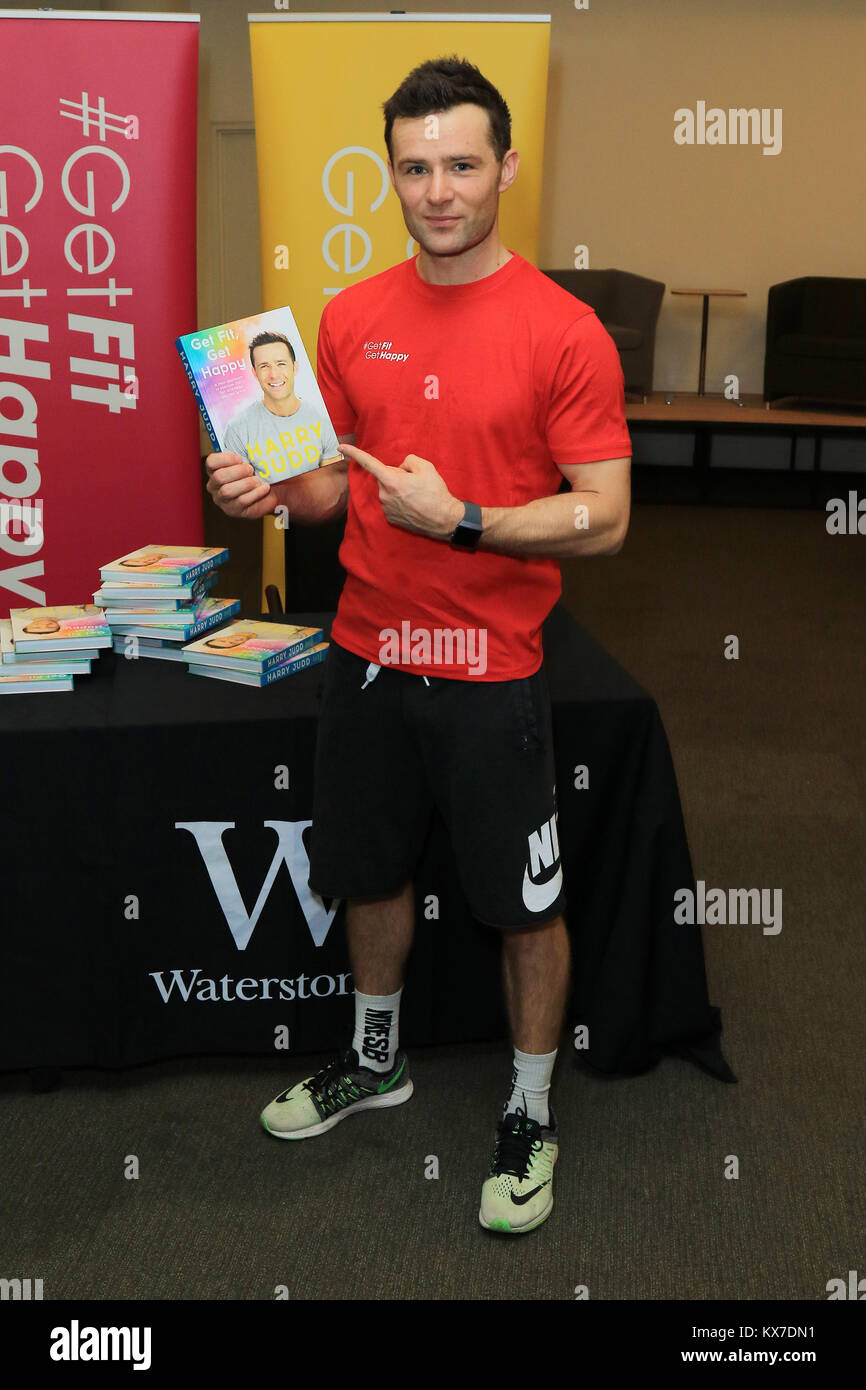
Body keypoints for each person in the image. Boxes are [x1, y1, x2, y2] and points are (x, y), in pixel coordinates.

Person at [205, 55, 631, 1235]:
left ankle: (530, 1109)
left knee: (521, 904)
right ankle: (375, 1061)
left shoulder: (565, 331)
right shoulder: (349, 319)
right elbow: (333, 496)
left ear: (504, 166)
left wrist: (473, 519)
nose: (436, 189)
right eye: (412, 166)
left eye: (459, 163)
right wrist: (269, 491)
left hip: (493, 673)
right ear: (387, 171)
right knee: (368, 871)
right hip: (366, 656)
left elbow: (604, 513)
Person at [222, 332, 343, 483]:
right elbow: (241, 491)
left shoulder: (322, 419)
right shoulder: (237, 428)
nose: (274, 374)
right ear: (255, 373)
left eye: (281, 363)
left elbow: (333, 486)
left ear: (295, 367)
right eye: (264, 366)